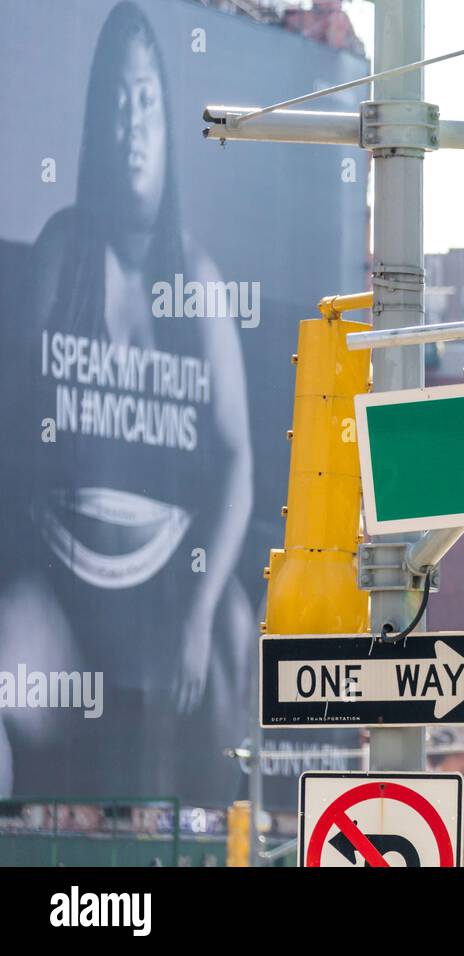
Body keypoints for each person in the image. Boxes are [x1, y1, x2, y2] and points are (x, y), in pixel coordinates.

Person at [0, 1, 253, 801]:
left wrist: (199, 610)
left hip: (174, 569)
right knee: (7, 672)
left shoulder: (201, 278)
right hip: (60, 559)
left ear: (169, 123)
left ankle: (228, 852)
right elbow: (13, 432)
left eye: (145, 101)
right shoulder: (61, 251)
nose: (130, 125)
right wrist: (27, 578)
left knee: (242, 638)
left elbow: (240, 458)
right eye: (115, 101)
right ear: (92, 126)